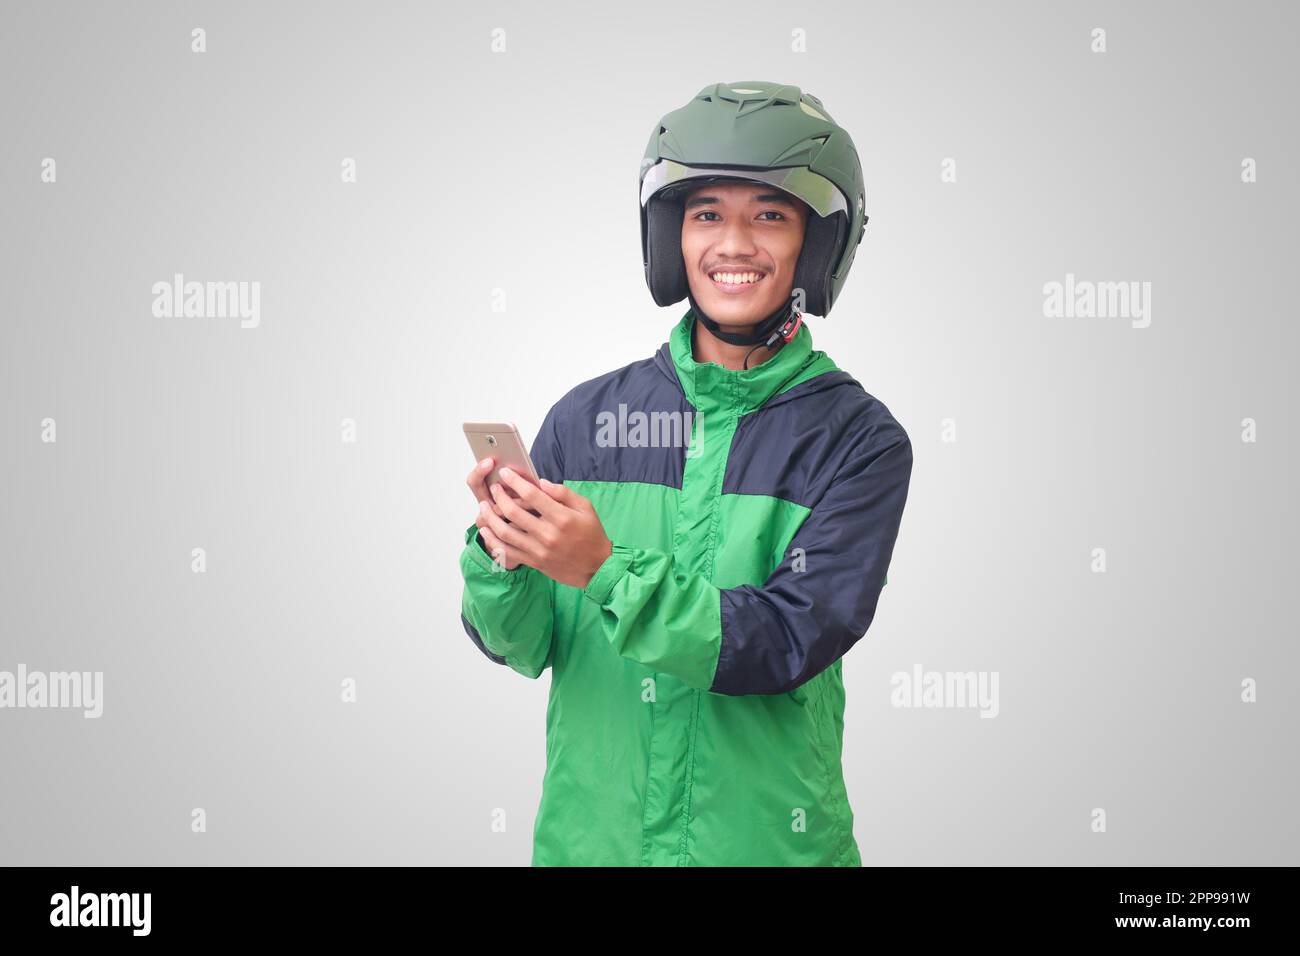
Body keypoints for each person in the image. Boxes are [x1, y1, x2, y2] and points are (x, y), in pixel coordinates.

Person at [458, 81, 913, 866]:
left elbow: (783, 642)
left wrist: (603, 571)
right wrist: (502, 560)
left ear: (816, 243)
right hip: (588, 848)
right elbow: (520, 648)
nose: (732, 244)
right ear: (672, 236)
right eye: (707, 214)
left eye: (769, 215)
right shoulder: (587, 418)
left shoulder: (859, 442)